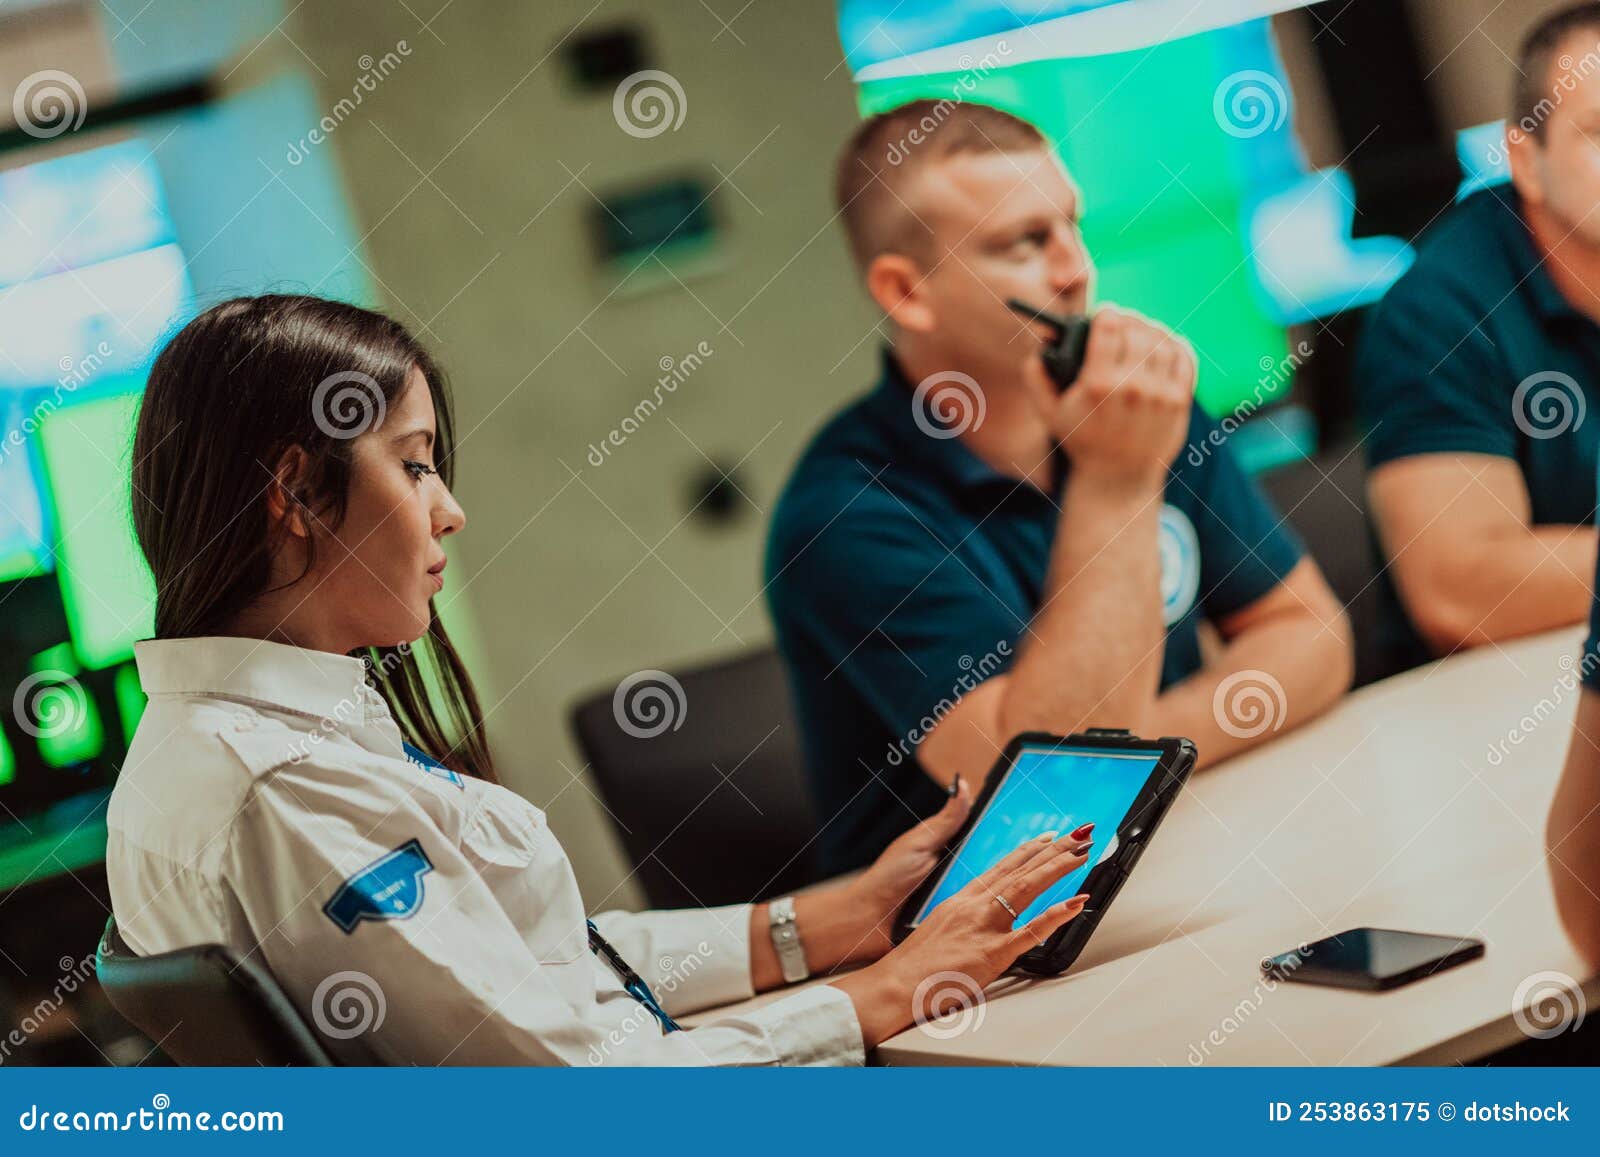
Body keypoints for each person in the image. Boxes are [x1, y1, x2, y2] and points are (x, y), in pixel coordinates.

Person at [106, 295, 1100, 1066]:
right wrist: (885, 991)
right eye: (413, 467)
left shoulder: (220, 742)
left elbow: (529, 967)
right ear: (293, 495)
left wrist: (827, 921)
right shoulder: (284, 785)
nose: (449, 512)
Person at [765, 101, 1353, 876]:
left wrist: (1143, 744)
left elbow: (1311, 636)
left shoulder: (1132, 403)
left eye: (1072, 225)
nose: (1077, 270)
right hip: (972, 954)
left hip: (1167, 856)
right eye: (1026, 243)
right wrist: (1116, 481)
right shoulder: (846, 515)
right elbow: (1055, 795)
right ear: (909, 291)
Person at [1358, 2, 1600, 671]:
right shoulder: (1436, 312)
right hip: (1483, 721)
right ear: (1526, 159)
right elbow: (1460, 593)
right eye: (1599, 132)